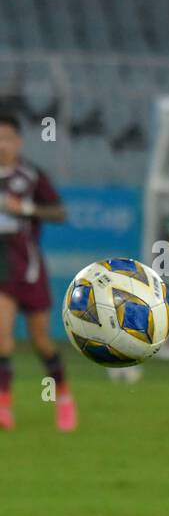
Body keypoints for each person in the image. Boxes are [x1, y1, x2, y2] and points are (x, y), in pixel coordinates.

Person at [0, 113, 73, 432]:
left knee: (41, 339)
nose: (1, 145)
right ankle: (4, 405)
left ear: (18, 142)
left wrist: (26, 210)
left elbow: (59, 212)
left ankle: (63, 396)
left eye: (6, 138)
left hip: (27, 264)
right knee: (1, 337)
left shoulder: (31, 176)